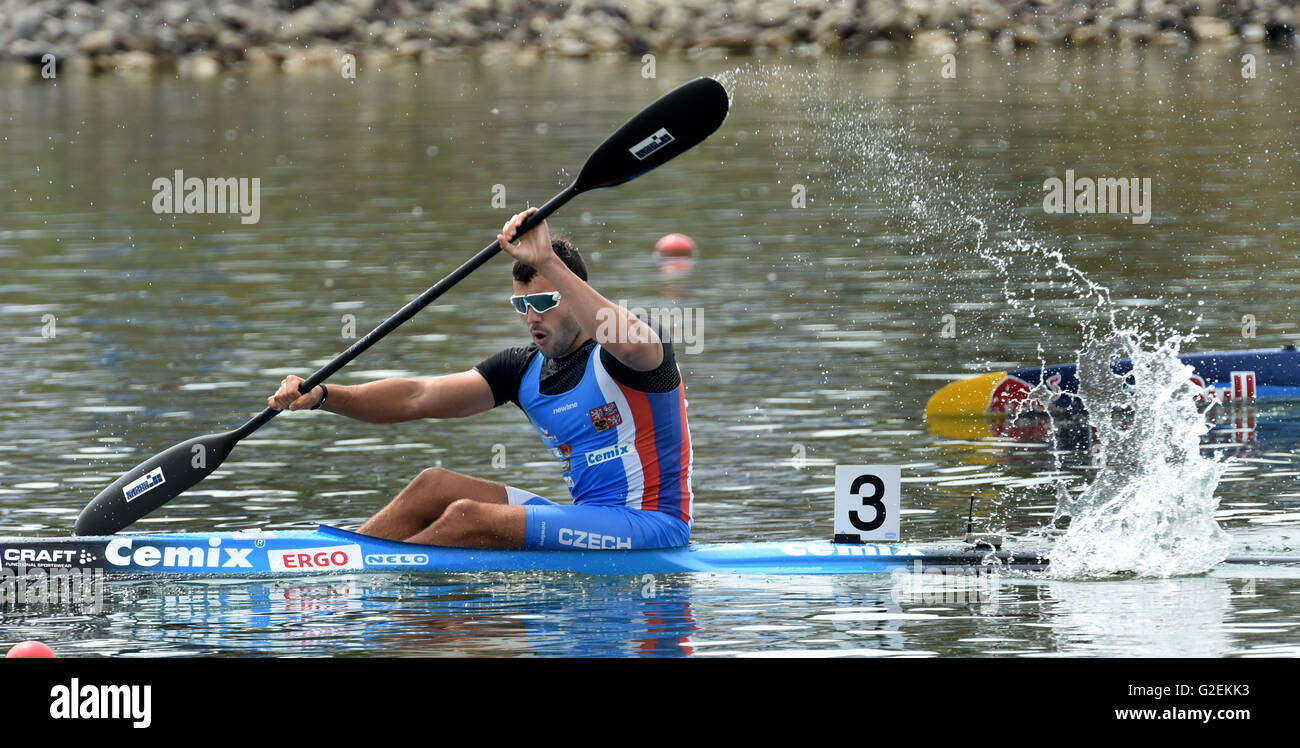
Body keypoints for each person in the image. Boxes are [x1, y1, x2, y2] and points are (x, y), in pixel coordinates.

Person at [267, 207, 693, 550]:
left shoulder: (628, 353)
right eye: (521, 306)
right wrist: (323, 394)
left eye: (544, 302)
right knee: (433, 487)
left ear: (575, 293)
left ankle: (373, 588)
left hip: (651, 524)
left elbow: (634, 346)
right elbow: (419, 396)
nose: (531, 317)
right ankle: (342, 563)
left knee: (467, 517)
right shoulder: (521, 369)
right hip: (591, 519)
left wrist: (546, 258)